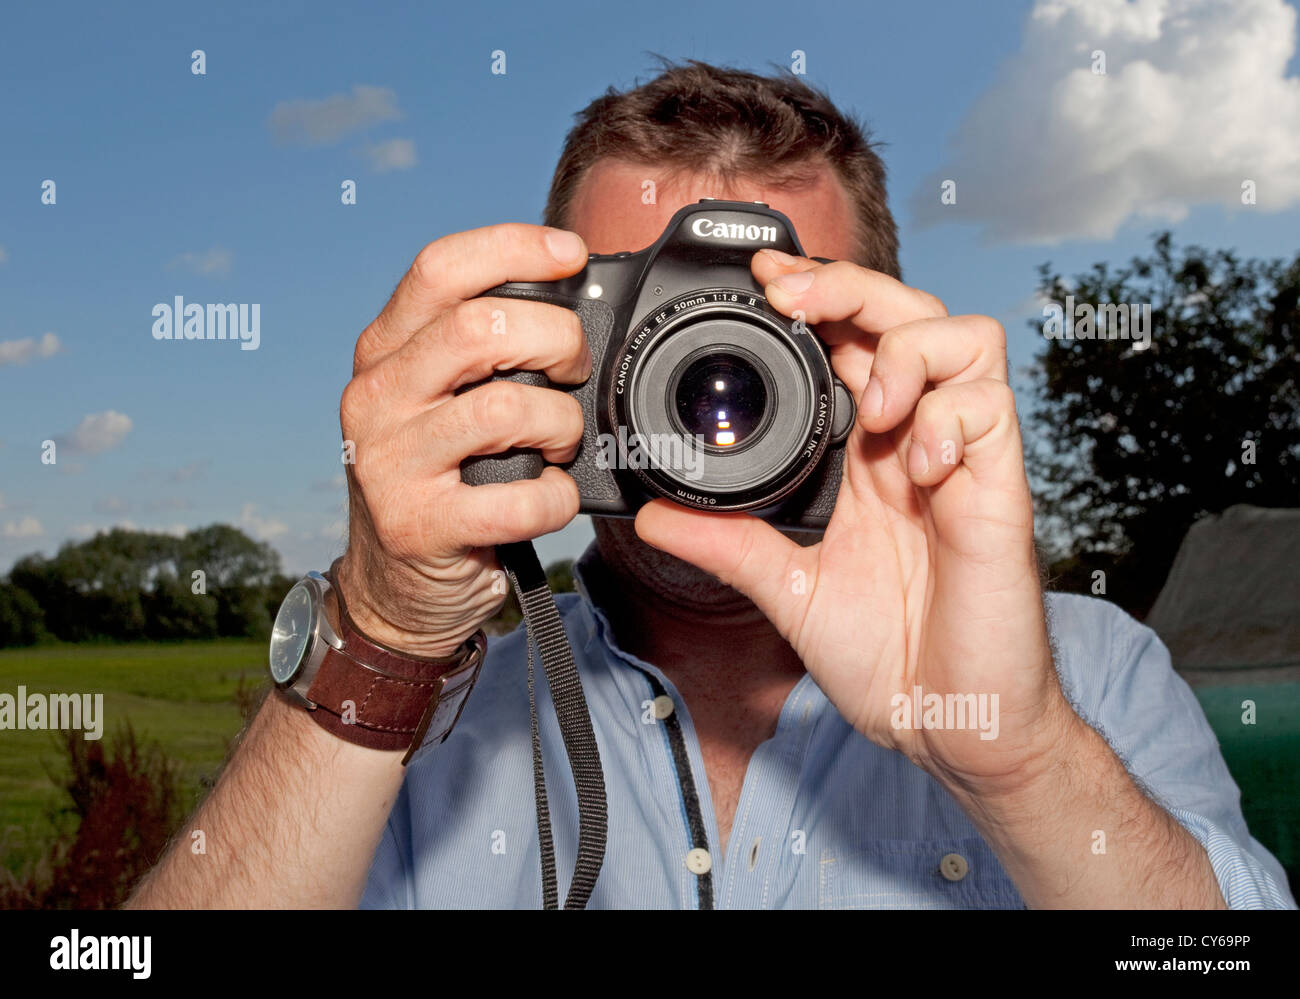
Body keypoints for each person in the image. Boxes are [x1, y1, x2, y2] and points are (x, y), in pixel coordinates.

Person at [128, 61, 1293, 909]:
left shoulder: (1083, 676)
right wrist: (383, 639)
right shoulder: (431, 724)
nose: (708, 381)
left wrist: (1020, 759)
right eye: (647, 312)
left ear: (878, 353)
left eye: (772, 323)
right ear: (540, 346)